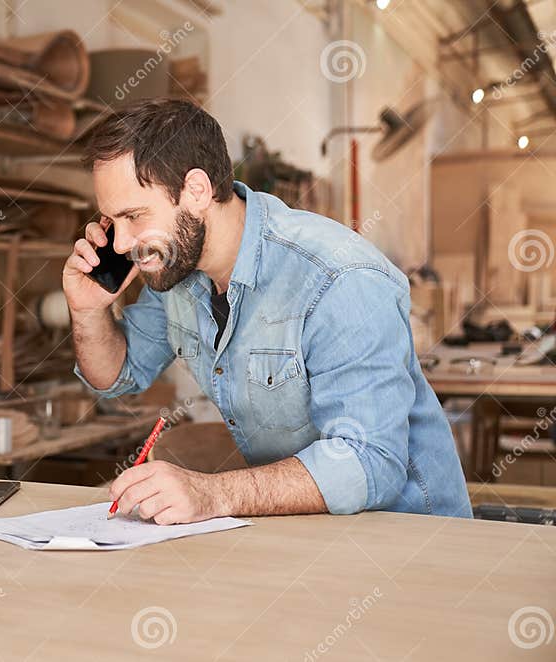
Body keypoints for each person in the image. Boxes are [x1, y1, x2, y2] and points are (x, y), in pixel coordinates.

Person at [63, 98, 471, 524]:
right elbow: (118, 377)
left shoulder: (339, 279)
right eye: (113, 220)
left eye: (133, 216)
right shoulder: (177, 271)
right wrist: (87, 310)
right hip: (304, 529)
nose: (123, 243)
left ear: (197, 192)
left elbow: (369, 463)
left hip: (409, 539)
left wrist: (212, 493)